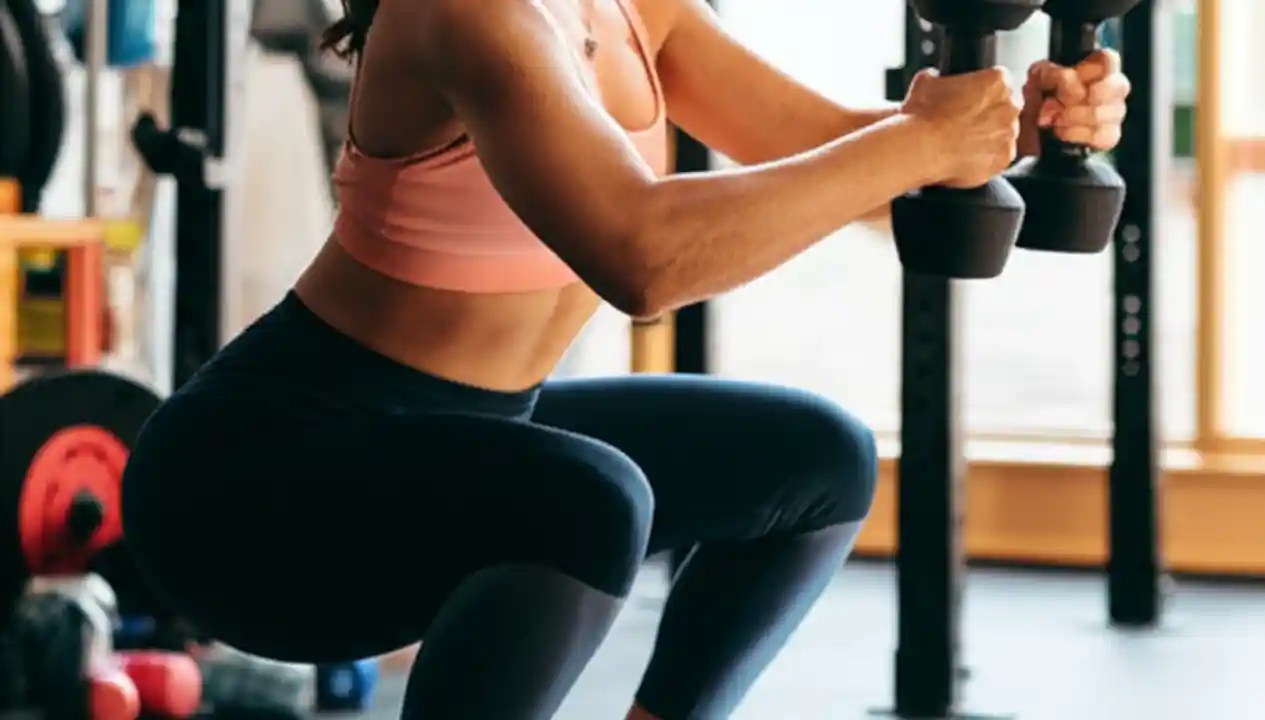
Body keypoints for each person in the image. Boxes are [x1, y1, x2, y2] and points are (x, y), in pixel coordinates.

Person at [120, 1, 1131, 718]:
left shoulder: (639, 9)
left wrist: (1008, 133)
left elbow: (833, 156)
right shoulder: (466, 13)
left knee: (817, 461)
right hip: (255, 489)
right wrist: (920, 143)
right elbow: (640, 256)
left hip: (474, 447)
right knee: (590, 497)